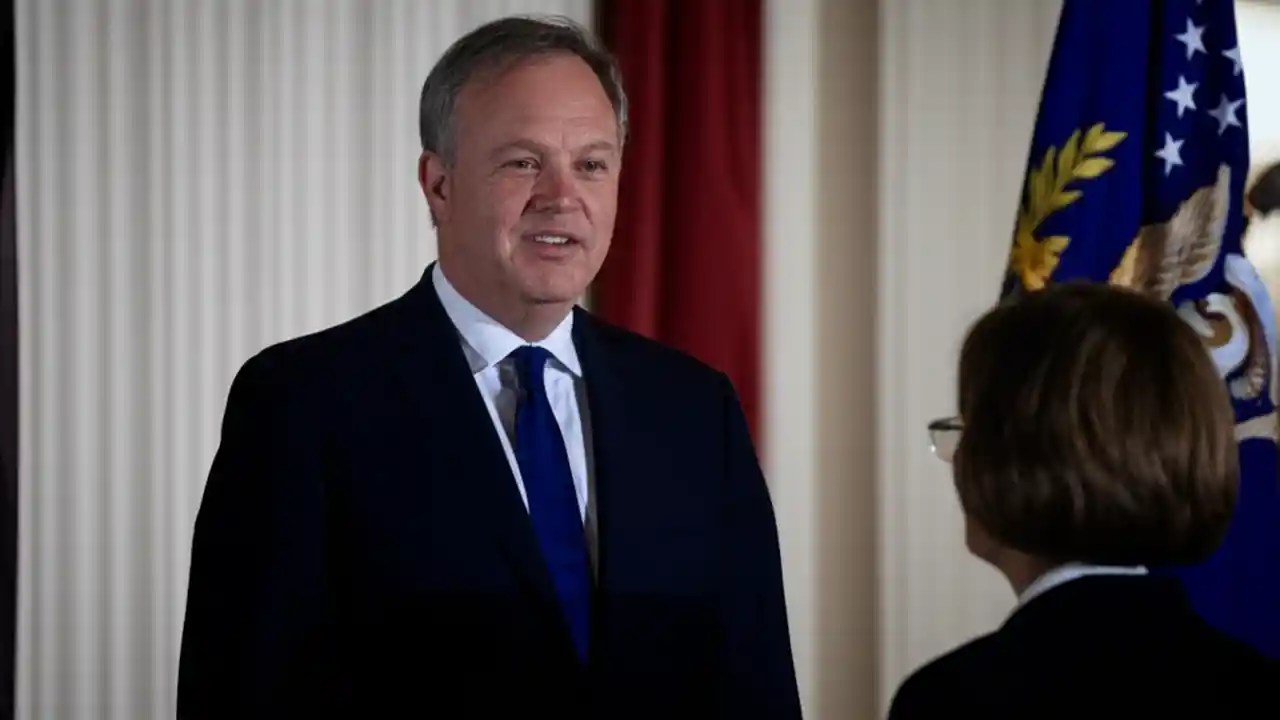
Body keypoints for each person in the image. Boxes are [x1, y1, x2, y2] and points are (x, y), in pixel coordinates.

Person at [175, 15, 800, 720]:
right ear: (439, 185)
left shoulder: (694, 410)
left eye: (591, 165)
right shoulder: (302, 403)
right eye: (523, 162)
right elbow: (242, 692)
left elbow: (756, 687)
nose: (562, 196)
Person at [888, 282, 1280, 719]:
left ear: (1015, 457)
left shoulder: (950, 701)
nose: (958, 458)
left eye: (969, 429)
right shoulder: (1258, 688)